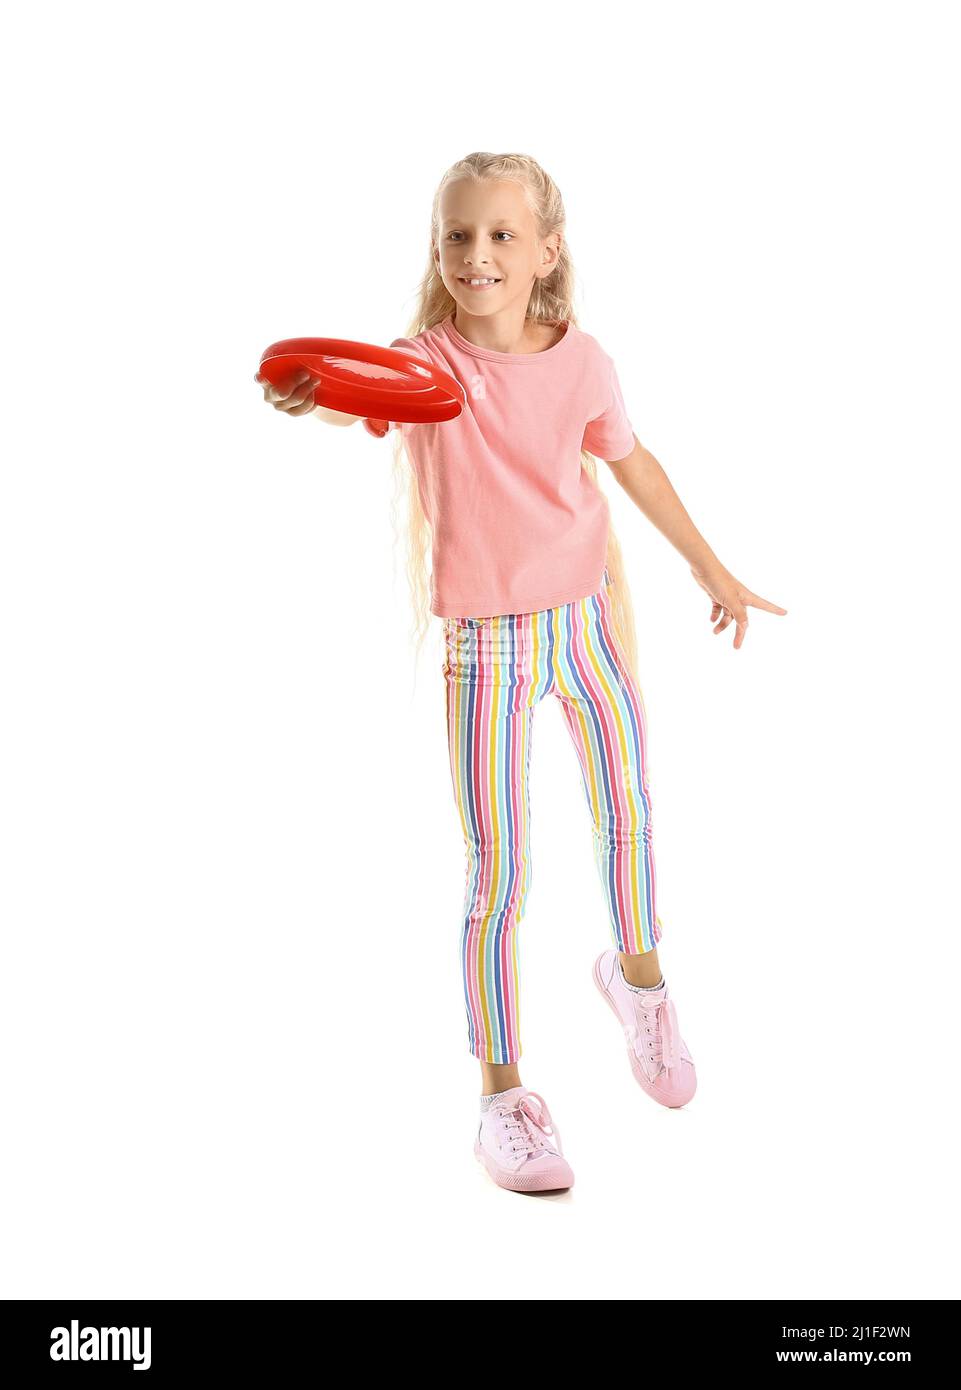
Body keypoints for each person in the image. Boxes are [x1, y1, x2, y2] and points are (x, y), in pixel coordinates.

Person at [256, 151, 787, 1195]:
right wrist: (307, 396)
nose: (476, 255)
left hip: (583, 623)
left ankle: (640, 985)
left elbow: (630, 461)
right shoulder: (425, 365)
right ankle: (502, 1096)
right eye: (457, 236)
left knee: (629, 811)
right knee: (500, 871)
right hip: (486, 646)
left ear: (547, 251)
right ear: (437, 250)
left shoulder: (583, 359)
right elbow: (347, 396)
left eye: (501, 234)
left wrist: (711, 564)